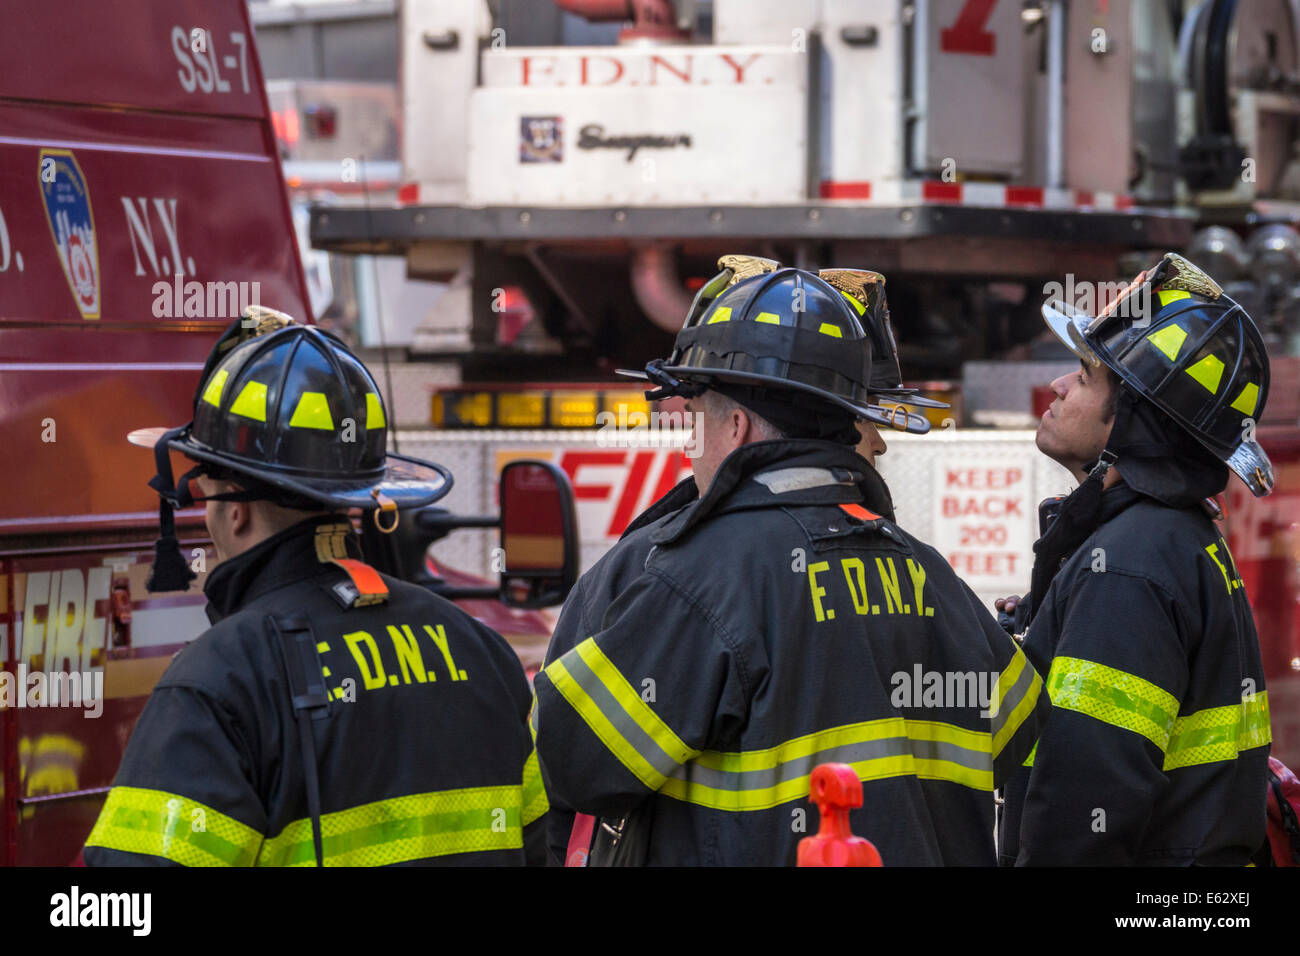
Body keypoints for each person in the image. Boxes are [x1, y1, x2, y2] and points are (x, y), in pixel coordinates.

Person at [532, 257, 1046, 865]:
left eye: (695, 421)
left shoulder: (699, 581)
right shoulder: (929, 573)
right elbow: (1021, 737)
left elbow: (574, 764)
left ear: (738, 427)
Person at [84, 309, 546, 866]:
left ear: (234, 509)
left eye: (204, 495)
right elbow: (541, 844)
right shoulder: (480, 652)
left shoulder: (218, 684)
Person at [997, 252, 1273, 865]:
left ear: (1136, 418)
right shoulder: (1164, 539)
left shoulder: (1128, 566)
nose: (1059, 386)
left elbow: (1083, 808)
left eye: (1084, 374)